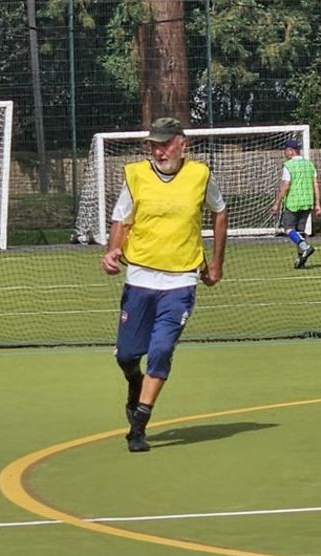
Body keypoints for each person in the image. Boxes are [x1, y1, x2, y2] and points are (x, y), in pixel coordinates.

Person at [101, 117, 228, 453]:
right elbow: (120, 217)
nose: (159, 151)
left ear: (181, 143)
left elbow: (220, 211)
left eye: (165, 144)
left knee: (161, 350)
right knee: (127, 355)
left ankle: (138, 427)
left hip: (181, 280)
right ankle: (134, 381)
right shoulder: (136, 175)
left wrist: (216, 262)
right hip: (139, 278)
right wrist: (112, 251)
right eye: (154, 145)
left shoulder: (200, 175)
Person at [270, 139, 321, 268]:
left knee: (289, 230)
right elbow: (316, 185)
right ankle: (301, 260)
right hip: (307, 203)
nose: (284, 152)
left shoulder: (288, 166)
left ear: (291, 151)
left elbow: (285, 186)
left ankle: (305, 247)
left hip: (293, 203)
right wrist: (317, 204)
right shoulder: (309, 164)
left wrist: (277, 203)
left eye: (286, 150)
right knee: (300, 232)